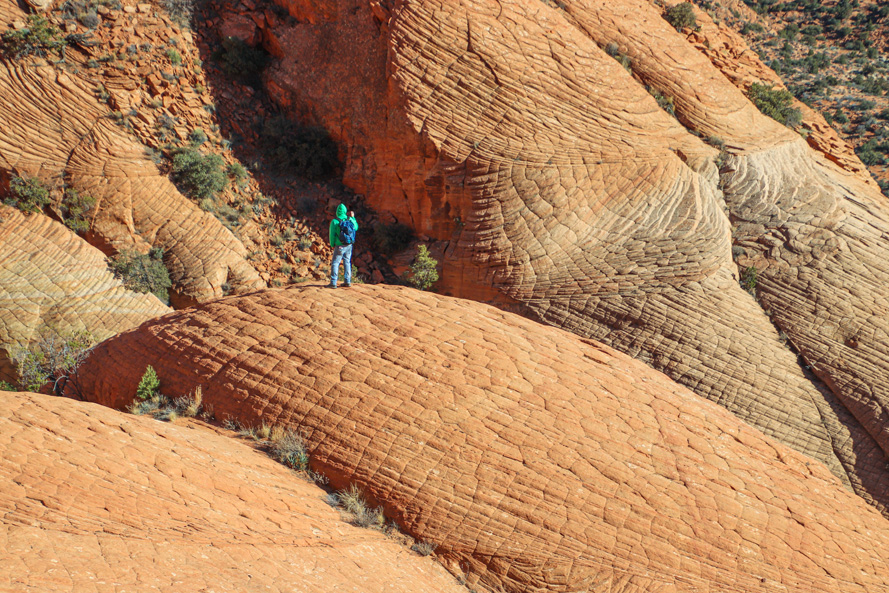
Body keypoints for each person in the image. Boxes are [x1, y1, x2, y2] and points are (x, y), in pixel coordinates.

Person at [328, 203, 358, 288]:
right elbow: (356, 228)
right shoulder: (350, 219)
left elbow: (332, 235)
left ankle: (333, 283)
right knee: (347, 262)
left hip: (340, 246)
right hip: (349, 245)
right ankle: (347, 281)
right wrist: (353, 217)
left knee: (335, 263)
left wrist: (332, 244)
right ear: (345, 211)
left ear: (337, 211)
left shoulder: (335, 221)